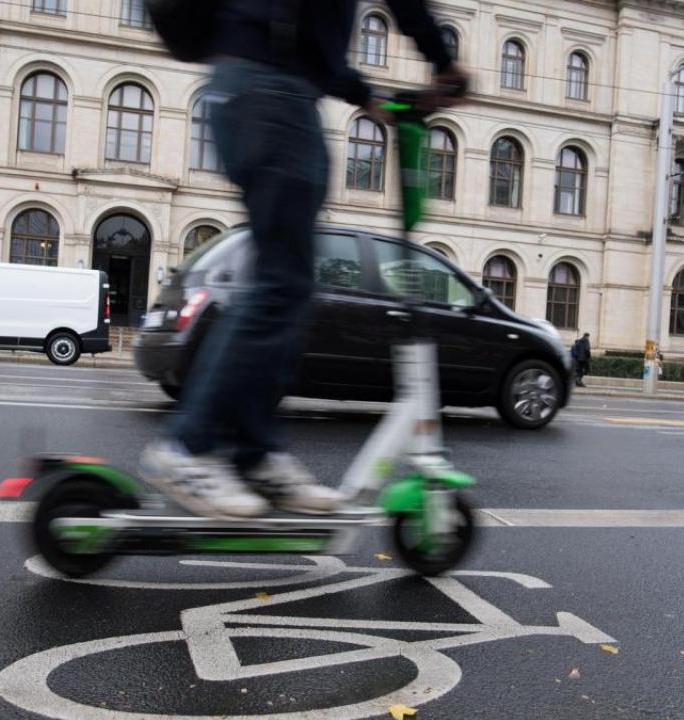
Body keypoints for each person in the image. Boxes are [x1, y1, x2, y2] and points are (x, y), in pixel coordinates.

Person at [140, 1, 465, 519]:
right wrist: (443, 62)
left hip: (270, 88)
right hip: (270, 93)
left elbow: (313, 46)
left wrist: (367, 95)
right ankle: (185, 448)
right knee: (280, 286)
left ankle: (256, 454)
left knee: (288, 288)